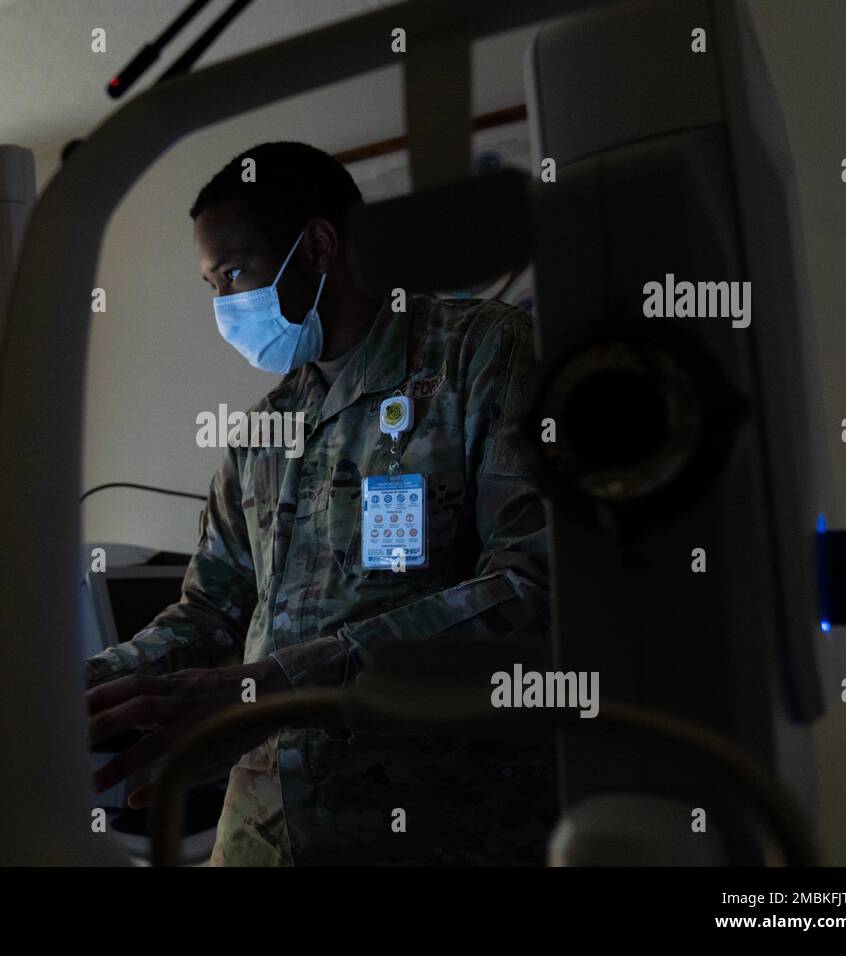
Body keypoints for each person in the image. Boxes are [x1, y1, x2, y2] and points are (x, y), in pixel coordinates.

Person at [86, 141, 556, 865]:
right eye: (211, 285)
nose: (223, 306)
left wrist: (282, 684)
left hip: (440, 824)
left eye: (233, 274)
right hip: (262, 831)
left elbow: (534, 590)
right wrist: (84, 686)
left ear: (318, 246)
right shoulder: (262, 434)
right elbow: (213, 611)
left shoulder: (483, 357)